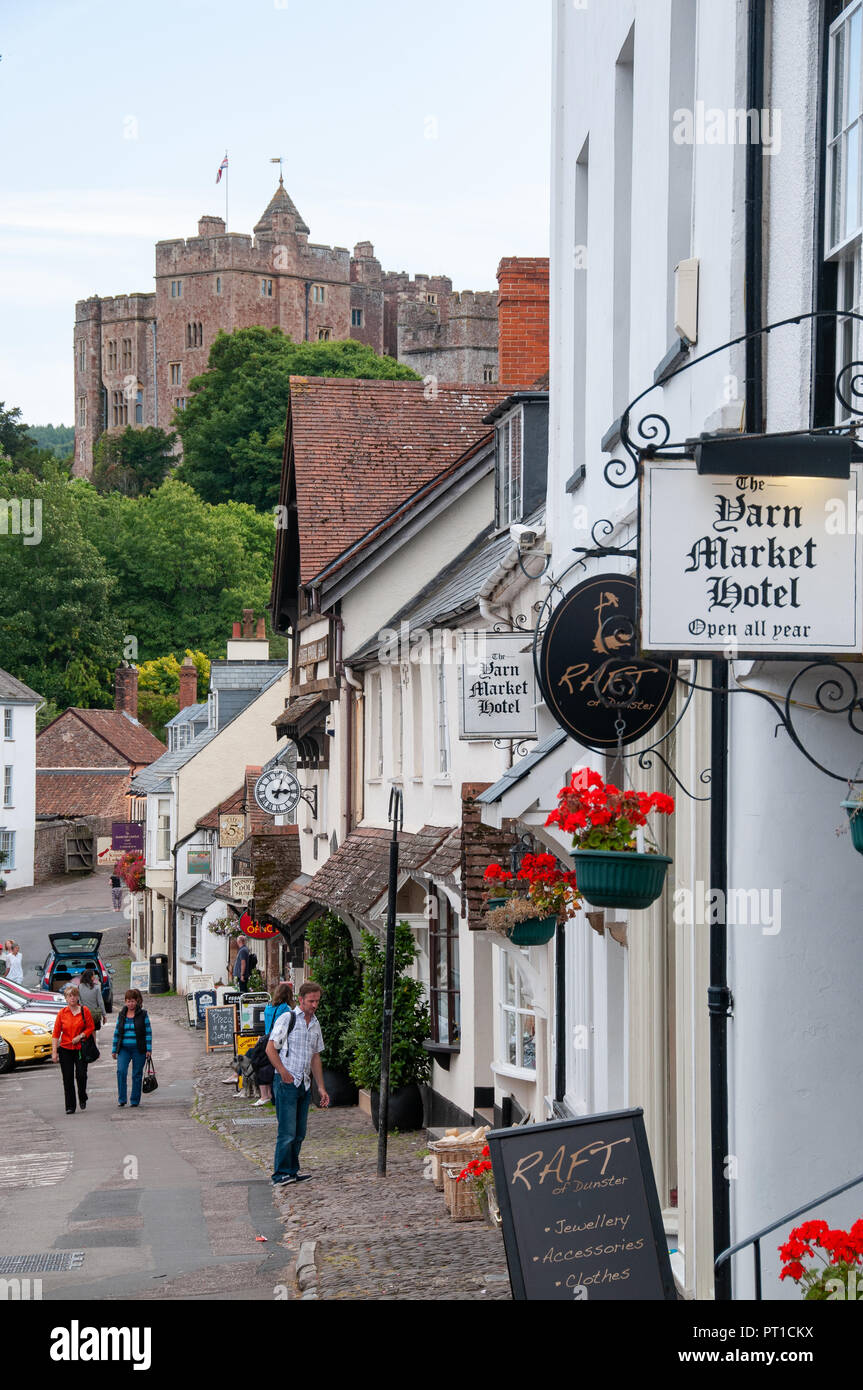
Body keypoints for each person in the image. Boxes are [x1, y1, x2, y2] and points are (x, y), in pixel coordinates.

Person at [266, 980, 329, 1186]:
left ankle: (292, 1171)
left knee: (299, 1132)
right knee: (287, 1131)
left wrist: (320, 1087)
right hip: (286, 1081)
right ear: (300, 1000)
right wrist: (283, 1072)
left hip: (304, 1083)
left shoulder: (315, 1023)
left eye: (317, 1001)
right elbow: (270, 1048)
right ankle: (280, 1174)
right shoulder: (288, 1018)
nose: (314, 1005)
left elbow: (315, 1057)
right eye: (311, 1001)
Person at [51, 984, 95, 1114]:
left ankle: (82, 1095)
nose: (72, 998)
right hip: (65, 1048)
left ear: (77, 997)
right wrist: (54, 1052)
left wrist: (81, 1036)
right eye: (69, 996)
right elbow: (55, 1033)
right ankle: (70, 1106)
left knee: (81, 1075)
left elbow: (90, 1027)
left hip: (80, 1048)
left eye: (74, 995)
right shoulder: (62, 1013)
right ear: (66, 998)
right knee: (67, 1077)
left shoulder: (84, 1010)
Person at [253, 982, 294, 1107]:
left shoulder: (268, 1008)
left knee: (263, 1064)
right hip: (279, 1039)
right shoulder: (286, 1009)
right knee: (276, 1066)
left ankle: (265, 1095)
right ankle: (275, 1094)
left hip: (266, 1038)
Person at [112, 988, 153, 1107]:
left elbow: (148, 1032)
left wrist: (148, 1049)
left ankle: (135, 1100)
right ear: (125, 1002)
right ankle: (122, 1099)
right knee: (121, 1071)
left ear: (137, 1001)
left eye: (133, 1001)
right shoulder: (122, 1015)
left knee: (137, 1074)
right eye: (128, 1001)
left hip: (139, 1049)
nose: (131, 1004)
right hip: (124, 1049)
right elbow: (116, 1032)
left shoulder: (143, 1014)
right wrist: (114, 1050)